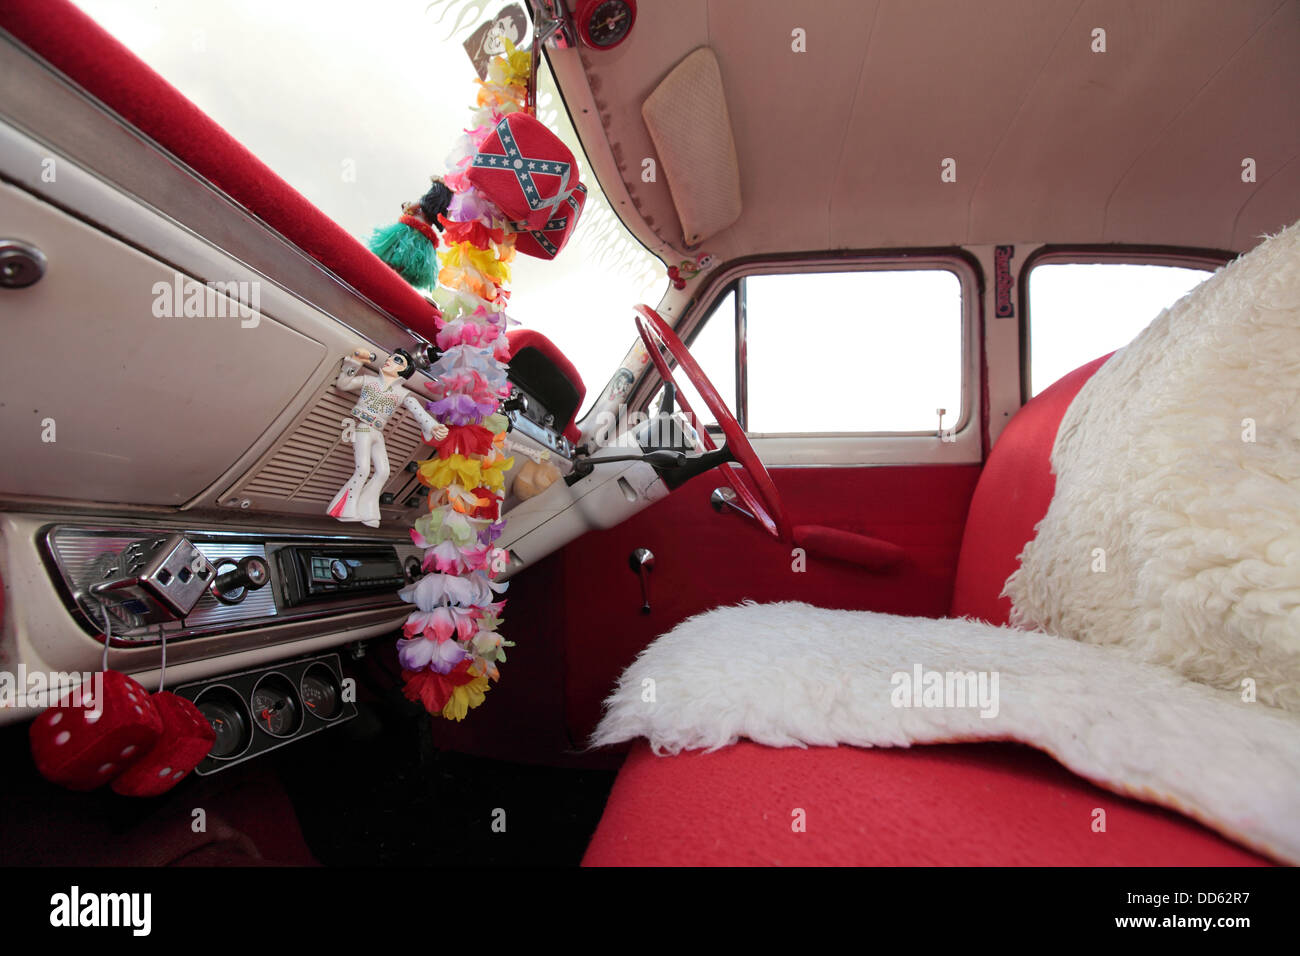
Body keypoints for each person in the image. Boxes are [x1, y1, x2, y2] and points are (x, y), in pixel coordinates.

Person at [327, 347, 448, 528]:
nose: (390, 360)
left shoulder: (401, 394)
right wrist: (353, 364)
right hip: (363, 429)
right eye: (392, 357)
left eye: (397, 361)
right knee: (362, 470)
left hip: (377, 432)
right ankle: (344, 509)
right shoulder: (369, 381)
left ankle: (367, 509)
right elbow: (343, 384)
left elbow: (418, 412)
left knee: (383, 472)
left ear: (403, 371)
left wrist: (433, 425)